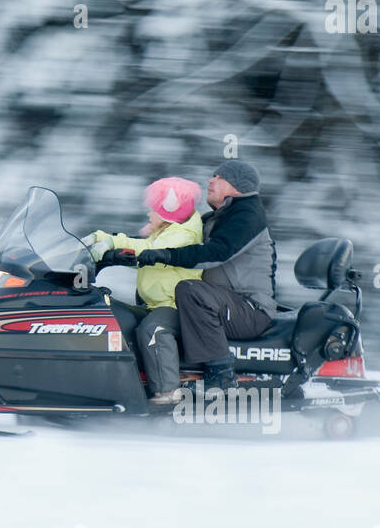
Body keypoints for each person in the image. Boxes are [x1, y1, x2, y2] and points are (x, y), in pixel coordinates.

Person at [134, 160, 276, 389]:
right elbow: (175, 240)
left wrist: (165, 256)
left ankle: (221, 374)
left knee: (190, 289)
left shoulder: (247, 214)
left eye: (219, 177)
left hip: (249, 308)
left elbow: (217, 253)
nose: (211, 180)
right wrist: (121, 249)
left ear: (236, 185)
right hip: (220, 305)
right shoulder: (214, 219)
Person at [87, 177, 203, 404]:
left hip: (174, 306)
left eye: (153, 209)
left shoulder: (183, 236)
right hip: (154, 305)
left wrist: (111, 243)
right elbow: (141, 246)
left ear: (169, 210)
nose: (149, 214)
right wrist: (100, 238)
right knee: (113, 317)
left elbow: (150, 250)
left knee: (153, 330)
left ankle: (168, 393)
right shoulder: (164, 233)